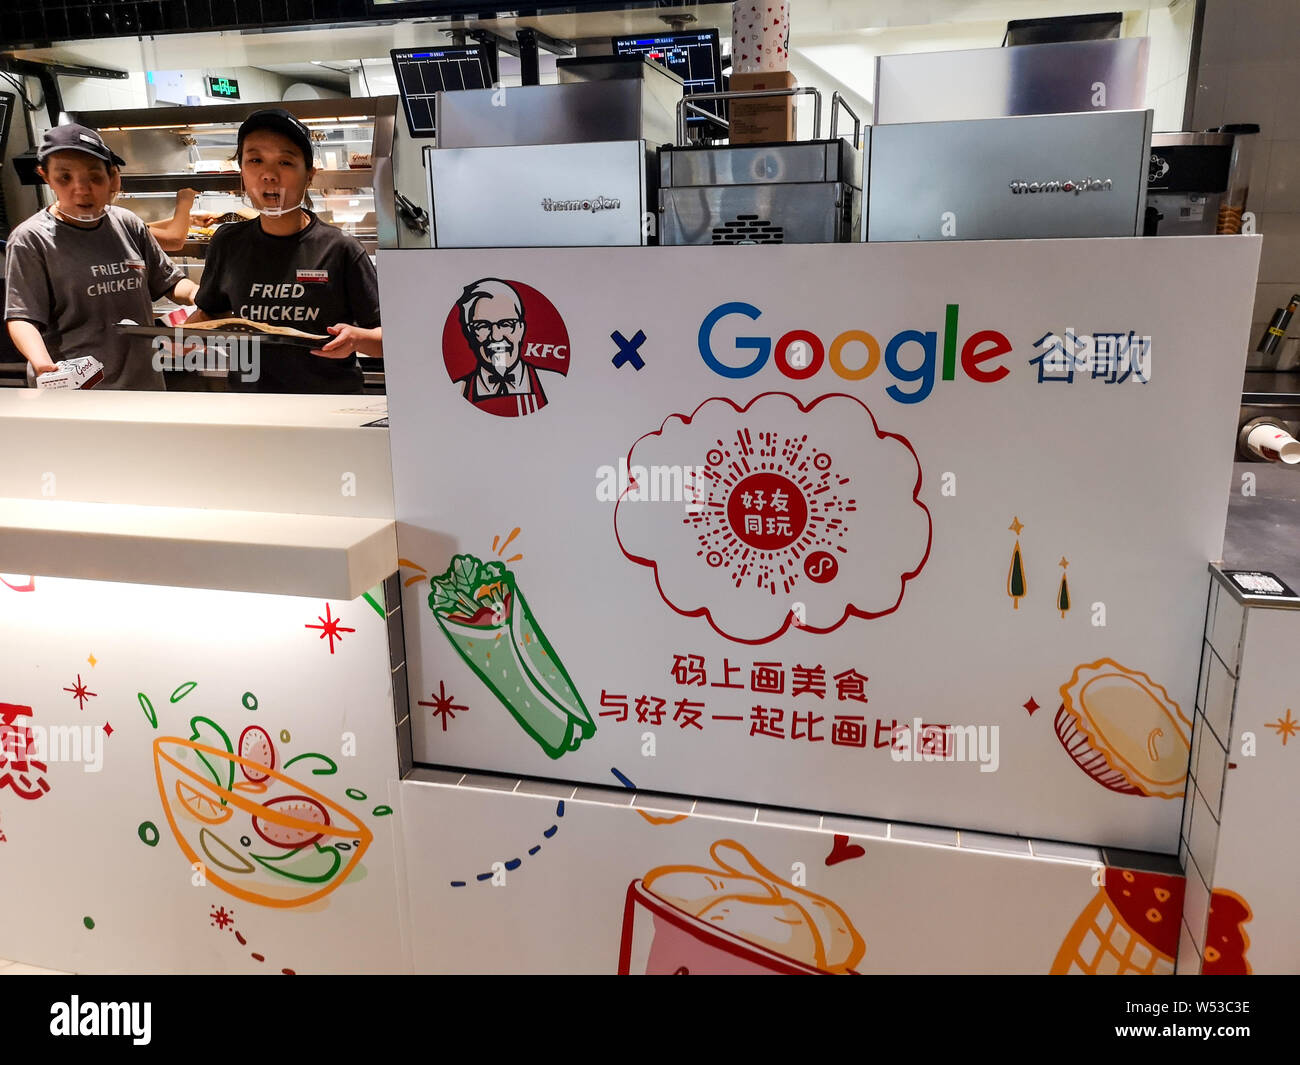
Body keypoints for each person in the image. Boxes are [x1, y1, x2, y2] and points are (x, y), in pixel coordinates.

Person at [186, 108, 382, 394]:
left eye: (285, 162)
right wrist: (176, 338)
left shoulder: (340, 249)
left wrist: (356, 339)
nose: (268, 174)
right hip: (251, 408)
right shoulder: (227, 243)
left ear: (309, 175)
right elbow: (209, 314)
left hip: (327, 406)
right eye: (255, 160)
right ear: (242, 171)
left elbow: (386, 338)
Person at [4, 123, 198, 389]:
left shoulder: (127, 224)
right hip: (79, 391)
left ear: (112, 178)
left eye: (94, 177)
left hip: (144, 385)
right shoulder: (32, 239)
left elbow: (170, 282)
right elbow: (22, 317)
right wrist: (44, 367)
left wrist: (200, 294)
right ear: (45, 176)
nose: (81, 189)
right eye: (65, 177)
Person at [455, 278, 560, 417]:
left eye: (506, 324)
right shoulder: (457, 391)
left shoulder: (552, 383)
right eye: (482, 326)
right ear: (470, 334)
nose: (496, 337)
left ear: (521, 329)